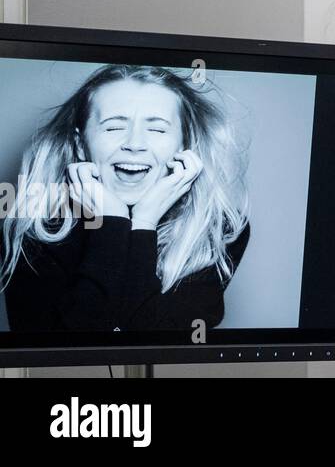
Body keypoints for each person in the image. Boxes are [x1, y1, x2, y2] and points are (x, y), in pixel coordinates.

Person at [1, 65, 251, 332]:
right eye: (114, 127)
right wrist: (113, 222)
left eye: (157, 130)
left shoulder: (220, 229)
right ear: (80, 145)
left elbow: (151, 341)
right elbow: (71, 345)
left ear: (183, 145)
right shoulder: (34, 227)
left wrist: (143, 222)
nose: (134, 144)